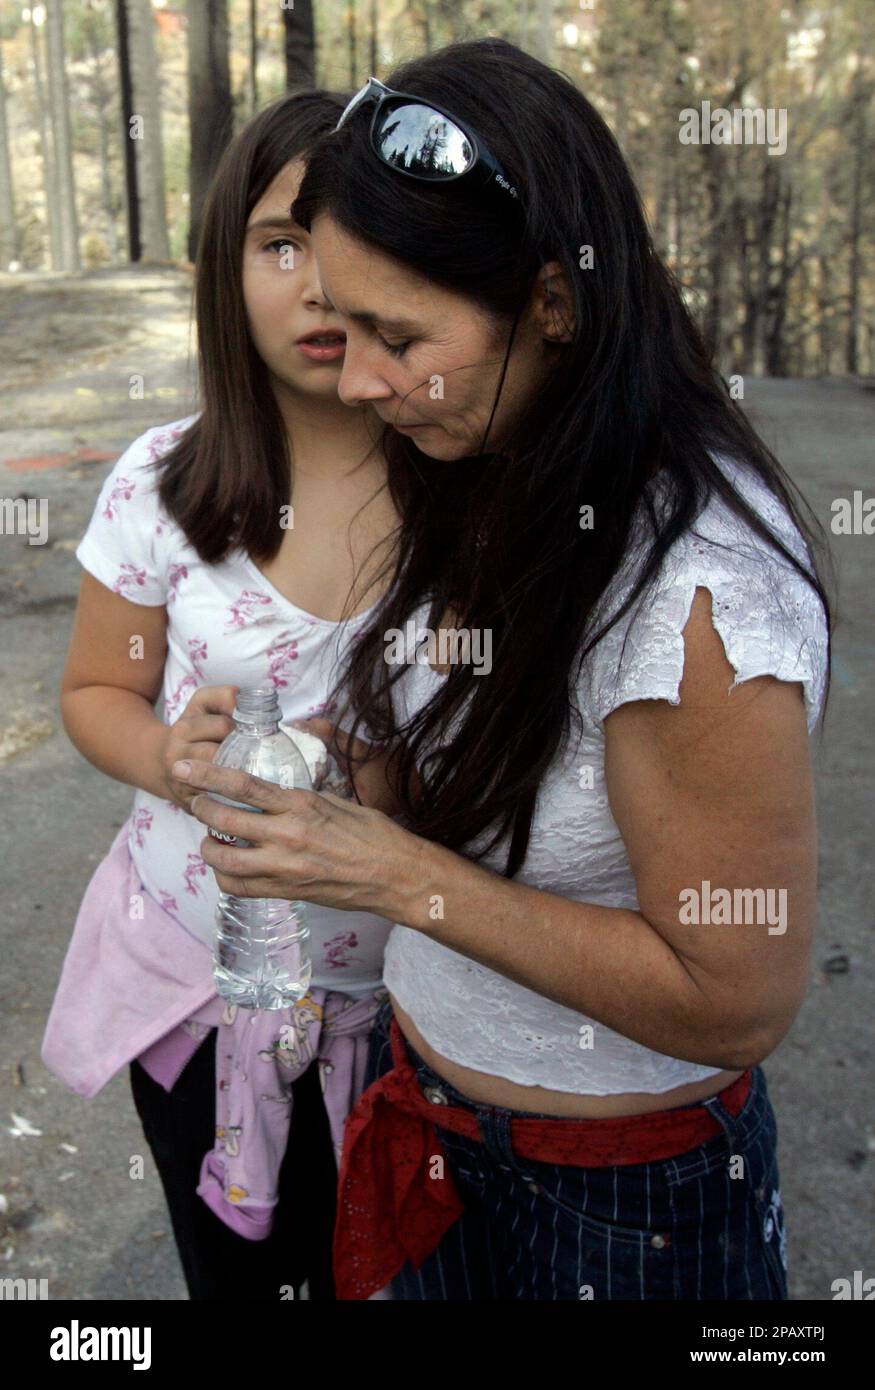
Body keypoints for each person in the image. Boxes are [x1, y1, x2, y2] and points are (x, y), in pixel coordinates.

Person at [172, 39, 833, 1301]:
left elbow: (732, 997)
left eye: (397, 334)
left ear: (551, 300)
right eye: (343, 327)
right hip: (428, 1122)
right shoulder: (480, 464)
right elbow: (460, 752)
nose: (360, 382)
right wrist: (320, 750)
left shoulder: (696, 598)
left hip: (626, 1200)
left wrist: (393, 875)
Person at [41, 90, 400, 1301]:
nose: (316, 285)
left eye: (358, 245)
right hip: (196, 990)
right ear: (224, 266)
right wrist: (166, 758)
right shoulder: (165, 481)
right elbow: (96, 688)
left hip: (416, 1018)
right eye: (280, 242)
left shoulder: (473, 495)